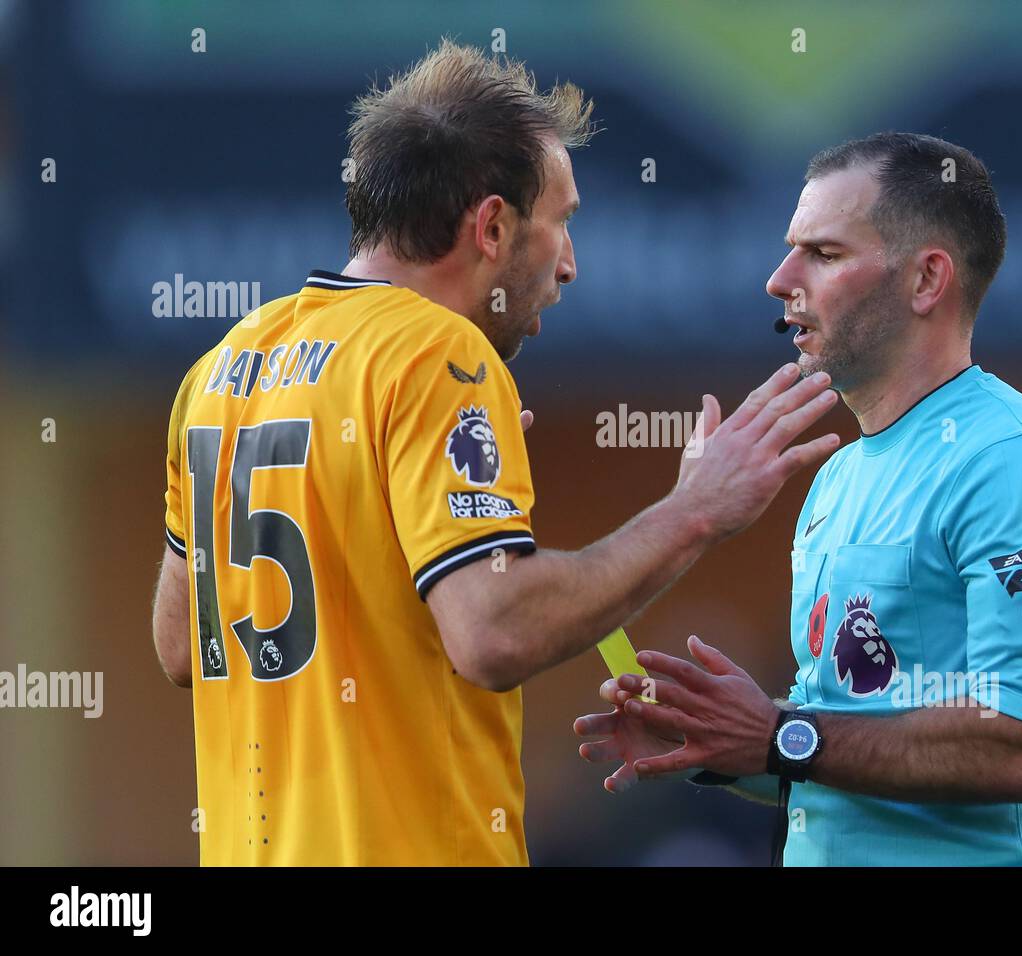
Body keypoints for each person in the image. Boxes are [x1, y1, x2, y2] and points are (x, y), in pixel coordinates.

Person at [149, 40, 840, 866]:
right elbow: (490, 632)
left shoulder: (225, 366)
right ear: (492, 226)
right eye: (565, 222)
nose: (571, 264)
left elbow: (181, 645)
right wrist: (692, 513)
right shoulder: (438, 353)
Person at [576, 132, 1022, 866]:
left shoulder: (1014, 462)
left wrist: (778, 734)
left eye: (823, 254)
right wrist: (721, 741)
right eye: (791, 248)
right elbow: (838, 756)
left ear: (927, 281)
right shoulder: (839, 478)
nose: (778, 278)